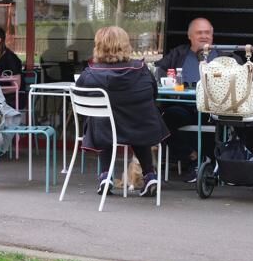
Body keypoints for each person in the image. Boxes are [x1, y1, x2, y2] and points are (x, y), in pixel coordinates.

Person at [76, 26, 169, 197]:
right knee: (135, 119)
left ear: (98, 46)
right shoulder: (141, 70)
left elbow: (79, 95)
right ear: (126, 45)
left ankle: (105, 176)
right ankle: (150, 176)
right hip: (141, 128)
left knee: (101, 119)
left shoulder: (90, 73)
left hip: (104, 131)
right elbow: (153, 94)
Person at [152, 17, 219, 181]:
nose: (204, 36)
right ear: (190, 36)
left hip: (214, 109)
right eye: (199, 33)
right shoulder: (178, 53)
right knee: (162, 120)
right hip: (185, 107)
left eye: (207, 32)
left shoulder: (224, 55)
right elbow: (158, 69)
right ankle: (193, 157)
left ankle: (215, 162)